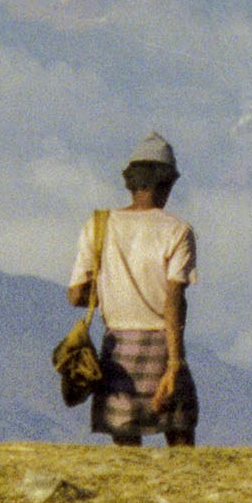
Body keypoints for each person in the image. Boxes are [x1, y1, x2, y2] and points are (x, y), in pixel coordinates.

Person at [66, 131, 197, 447]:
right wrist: (175, 365)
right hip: (163, 347)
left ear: (131, 181)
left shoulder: (98, 226)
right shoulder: (177, 231)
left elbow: (76, 296)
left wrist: (113, 287)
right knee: (181, 434)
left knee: (125, 444)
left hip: (117, 349)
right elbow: (174, 300)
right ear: (166, 184)